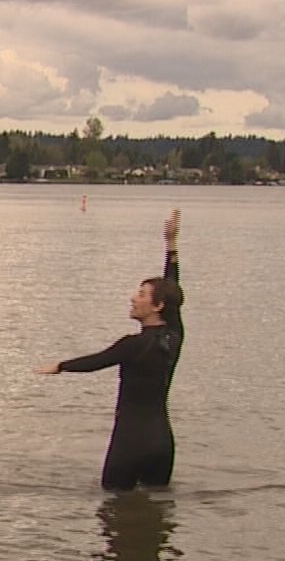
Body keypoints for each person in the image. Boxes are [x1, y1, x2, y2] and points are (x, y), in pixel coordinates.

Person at [36, 210, 185, 491]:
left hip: (130, 441)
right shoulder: (174, 337)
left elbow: (97, 361)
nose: (133, 297)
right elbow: (173, 290)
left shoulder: (133, 345)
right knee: (157, 511)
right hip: (163, 444)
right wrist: (171, 246)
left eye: (141, 294)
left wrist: (60, 365)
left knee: (112, 509)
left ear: (157, 306)